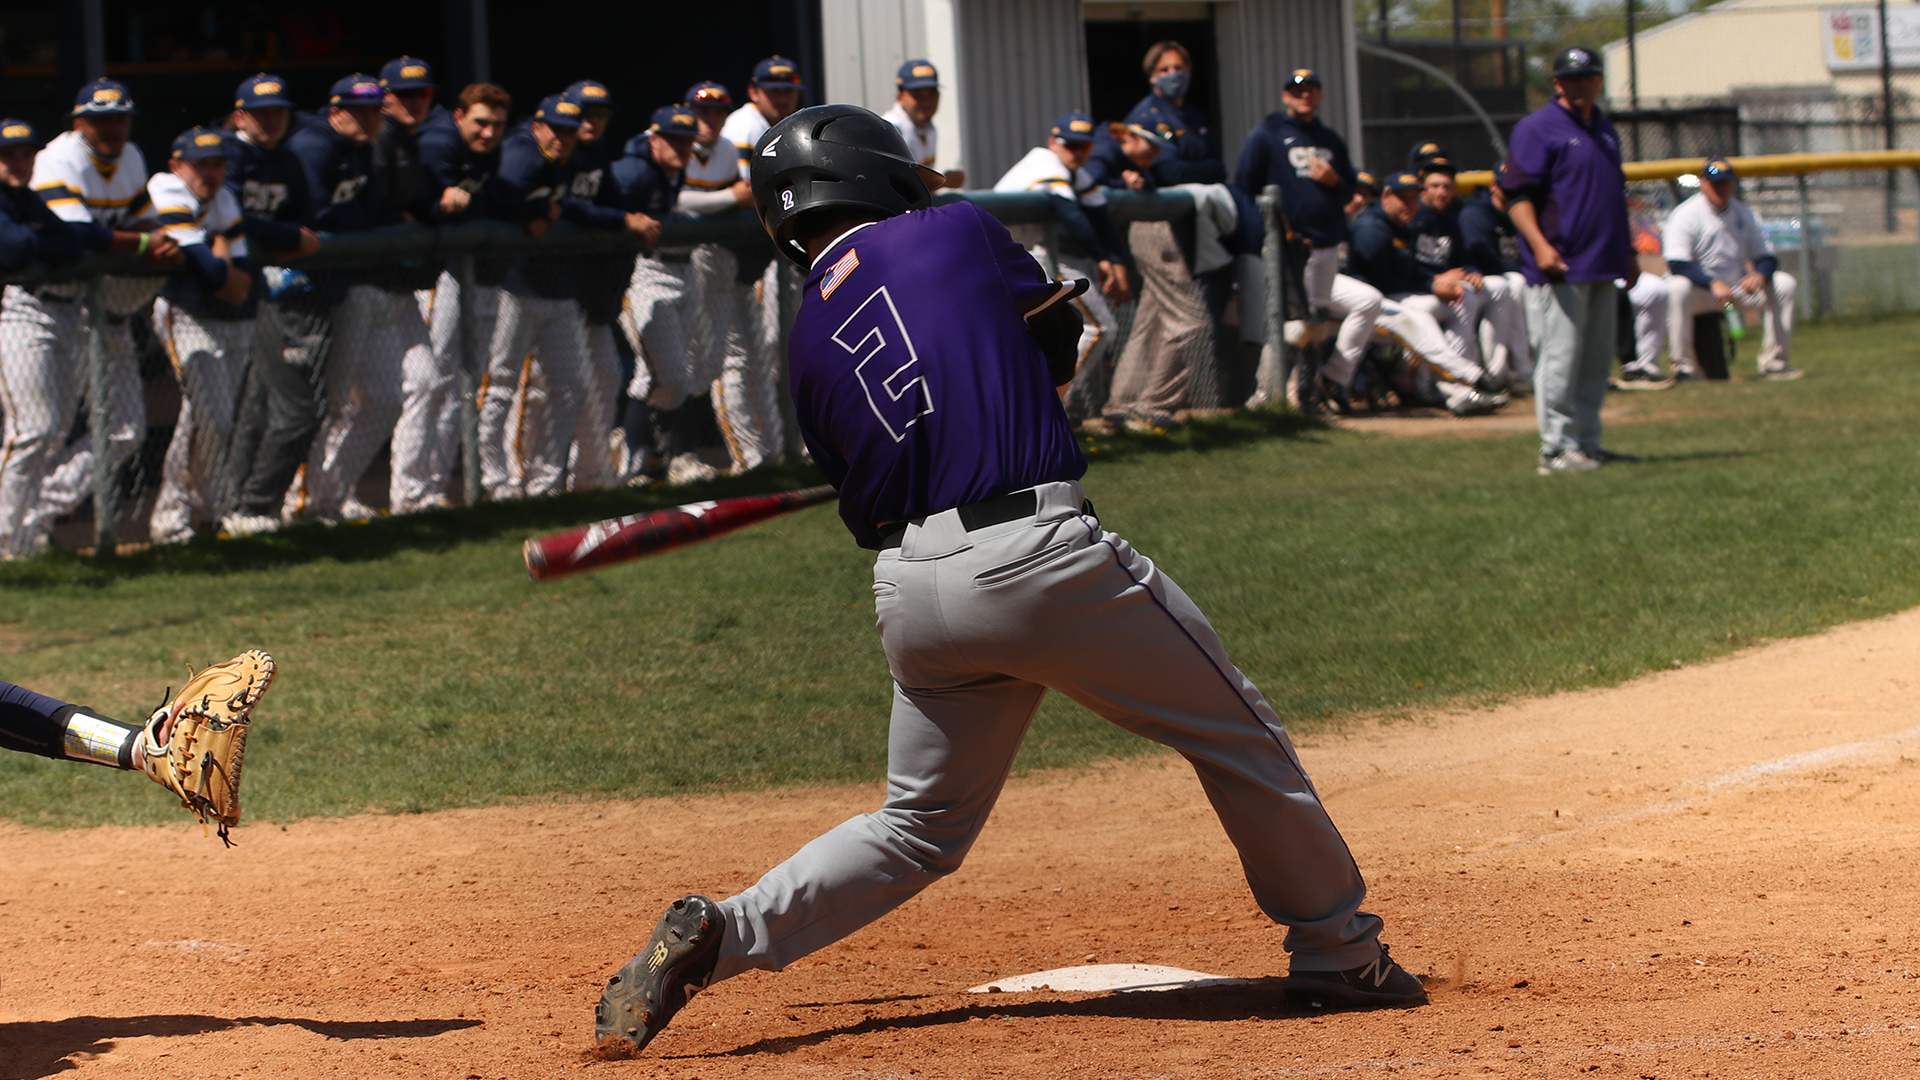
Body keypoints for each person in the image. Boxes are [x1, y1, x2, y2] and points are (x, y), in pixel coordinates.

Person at [593, 105, 1427, 1057]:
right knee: (1240, 737)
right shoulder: (952, 228)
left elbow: (868, 502)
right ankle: (1339, 952)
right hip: (1039, 560)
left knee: (918, 827)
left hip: (913, 590)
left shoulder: (808, 338)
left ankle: (729, 929)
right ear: (878, 174)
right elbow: (1054, 340)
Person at [0, 79, 182, 557]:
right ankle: (8, 538)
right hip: (34, 308)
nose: (111, 128)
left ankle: (30, 521)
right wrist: (141, 244)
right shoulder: (60, 159)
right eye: (100, 120)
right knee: (36, 431)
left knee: (121, 431)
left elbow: (86, 235)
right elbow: (63, 238)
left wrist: (152, 240)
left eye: (119, 118)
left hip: (90, 309)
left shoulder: (131, 157)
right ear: (78, 123)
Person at [284, 73, 421, 524]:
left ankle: (330, 494)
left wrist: (391, 223)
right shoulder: (314, 146)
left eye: (374, 110)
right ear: (335, 111)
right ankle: (302, 501)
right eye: (357, 110)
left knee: (385, 400)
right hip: (319, 294)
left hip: (359, 286)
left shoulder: (359, 148)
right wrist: (373, 226)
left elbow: (371, 208)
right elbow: (320, 215)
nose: (367, 118)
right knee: (329, 401)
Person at [1498, 46, 1637, 474]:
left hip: (1602, 261)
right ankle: (1555, 448)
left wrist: (1629, 252)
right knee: (1559, 359)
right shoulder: (1537, 128)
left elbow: (1614, 196)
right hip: (1560, 262)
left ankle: (1586, 443)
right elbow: (1516, 196)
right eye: (1572, 78)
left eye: (1588, 76)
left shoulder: (1604, 128)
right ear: (1557, 83)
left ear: (1599, 81)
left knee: (1594, 362)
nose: (1581, 84)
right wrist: (1540, 245)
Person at [1234, 68, 1382, 408]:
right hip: (1288, 246)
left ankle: (1304, 395)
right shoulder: (1267, 135)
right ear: (1286, 96)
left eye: (1312, 90)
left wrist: (1334, 181)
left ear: (1320, 96)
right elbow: (1244, 185)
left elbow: (1350, 191)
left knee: (1315, 324)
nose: (1305, 96)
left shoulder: (1330, 139)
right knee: (1289, 322)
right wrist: (1264, 232)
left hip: (1325, 243)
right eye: (1298, 90)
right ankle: (1266, 395)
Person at [395, 81, 510, 513]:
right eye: (480, 122)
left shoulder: (489, 151)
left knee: (459, 384)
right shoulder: (439, 142)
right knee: (431, 384)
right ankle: (410, 489)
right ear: (459, 116)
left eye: (497, 124)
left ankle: (433, 486)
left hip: (466, 276)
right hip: (434, 278)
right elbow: (432, 204)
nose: (489, 132)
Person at [218, 73, 324, 537]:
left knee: (259, 410)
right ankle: (239, 505)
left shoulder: (288, 158)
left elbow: (306, 218)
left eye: (278, 111)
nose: (271, 120)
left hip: (274, 296)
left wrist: (287, 236)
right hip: (225, 299)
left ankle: (242, 507)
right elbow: (230, 216)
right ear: (240, 116)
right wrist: (285, 237)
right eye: (260, 113)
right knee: (228, 416)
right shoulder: (225, 154)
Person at [478, 93, 592, 500]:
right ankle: (494, 479)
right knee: (500, 384)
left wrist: (547, 209)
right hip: (512, 287)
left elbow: (572, 206)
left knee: (572, 386)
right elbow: (496, 199)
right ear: (537, 127)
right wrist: (535, 212)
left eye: (569, 132)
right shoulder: (520, 155)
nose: (561, 138)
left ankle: (546, 480)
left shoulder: (569, 160)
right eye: (554, 129)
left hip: (556, 291)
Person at [143, 127, 252, 545]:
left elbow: (239, 282)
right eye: (200, 164)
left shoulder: (223, 198)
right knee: (212, 417)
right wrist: (217, 248)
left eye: (218, 164)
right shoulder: (166, 188)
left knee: (209, 419)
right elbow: (215, 273)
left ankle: (195, 515)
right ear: (177, 165)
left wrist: (215, 252)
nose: (210, 172)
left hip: (224, 318)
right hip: (182, 313)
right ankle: (175, 517)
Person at [993, 113, 1130, 423]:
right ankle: (1045, 408)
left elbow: (1099, 217)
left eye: (1084, 146)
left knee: (1035, 338)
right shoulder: (1046, 164)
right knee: (1099, 328)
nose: (1077, 152)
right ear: (1053, 142)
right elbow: (1073, 217)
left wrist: (1116, 261)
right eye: (1071, 145)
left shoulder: (1073, 172)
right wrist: (1104, 259)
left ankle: (1038, 410)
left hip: (1021, 259)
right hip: (1011, 260)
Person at [680, 80, 784, 476]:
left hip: (729, 264)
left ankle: (766, 452)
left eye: (716, 112)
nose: (709, 119)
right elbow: (674, 202)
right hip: (681, 264)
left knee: (749, 358)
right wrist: (729, 198)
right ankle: (673, 454)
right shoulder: (674, 143)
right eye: (701, 111)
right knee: (696, 363)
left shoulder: (724, 145)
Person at [1346, 172, 1506, 417]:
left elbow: (1410, 269)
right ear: (1386, 197)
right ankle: (1423, 387)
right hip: (1370, 306)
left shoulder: (1402, 225)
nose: (1410, 204)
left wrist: (1436, 281)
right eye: (1403, 198)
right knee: (1423, 312)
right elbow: (1381, 283)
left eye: (1414, 198)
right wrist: (1432, 285)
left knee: (1461, 299)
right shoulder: (1372, 229)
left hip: (1395, 298)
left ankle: (1457, 387)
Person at [613, 105, 711, 485]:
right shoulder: (634, 170)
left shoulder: (671, 169)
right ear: (653, 139)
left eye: (687, 140)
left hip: (682, 269)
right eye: (673, 139)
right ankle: (637, 455)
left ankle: (647, 458)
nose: (682, 147)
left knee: (670, 374)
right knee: (666, 374)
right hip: (644, 271)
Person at [1662, 158, 1800, 381]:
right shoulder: (1686, 214)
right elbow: (1677, 264)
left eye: (1724, 183)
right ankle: (1684, 367)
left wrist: (1759, 274)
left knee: (1784, 284)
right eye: (1715, 183)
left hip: (1736, 289)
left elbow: (1766, 256)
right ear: (1703, 183)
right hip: (1700, 291)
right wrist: (1712, 283)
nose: (1720, 188)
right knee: (1676, 288)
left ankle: (1774, 363)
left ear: (1731, 184)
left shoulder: (1744, 213)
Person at [1456, 177, 1536, 389]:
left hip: (1503, 279)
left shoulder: (1526, 208)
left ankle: (1508, 370)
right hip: (1479, 279)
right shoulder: (1476, 213)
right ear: (1494, 187)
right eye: (1506, 186)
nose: (1511, 190)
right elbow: (1486, 261)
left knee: (1516, 284)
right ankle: (1502, 372)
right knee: (1514, 284)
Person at [1125, 40, 1223, 185]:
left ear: (1189, 70)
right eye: (1164, 70)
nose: (1173, 74)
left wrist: (1210, 169)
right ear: (1152, 76)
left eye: (1178, 68)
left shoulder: (1196, 116)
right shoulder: (1145, 117)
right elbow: (1171, 173)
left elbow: (1220, 167)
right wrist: (1209, 170)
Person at [882, 59, 963, 189]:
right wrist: (944, 180)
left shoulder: (928, 127)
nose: (927, 102)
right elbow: (897, 188)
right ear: (899, 96)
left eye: (932, 94)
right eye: (917, 95)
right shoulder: (890, 130)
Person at [721, 57, 804, 176]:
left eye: (788, 90)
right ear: (753, 92)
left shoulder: (786, 124)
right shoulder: (744, 125)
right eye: (774, 90)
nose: (782, 98)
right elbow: (746, 184)